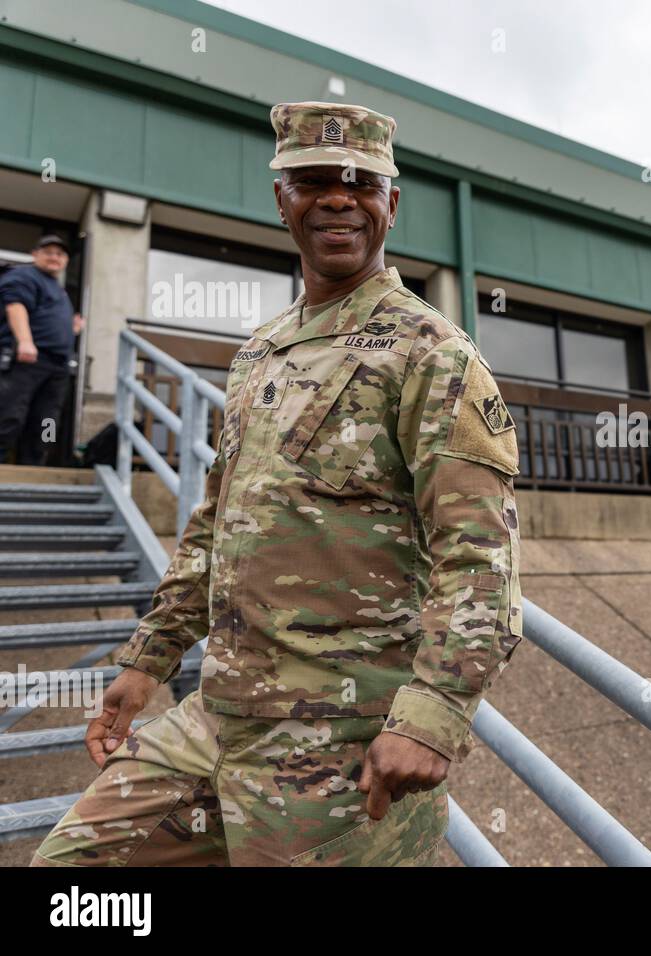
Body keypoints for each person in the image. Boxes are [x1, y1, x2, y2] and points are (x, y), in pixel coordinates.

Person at [32, 101, 523, 866]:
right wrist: (146, 660)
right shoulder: (261, 351)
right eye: (312, 180)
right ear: (282, 200)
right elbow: (216, 523)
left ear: (390, 204)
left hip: (342, 748)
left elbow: (481, 558)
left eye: (360, 183)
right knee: (73, 872)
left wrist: (433, 712)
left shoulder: (432, 353)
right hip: (217, 719)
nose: (337, 197)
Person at [0, 234, 83, 465]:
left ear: (66, 260)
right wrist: (25, 341)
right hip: (27, 358)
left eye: (60, 254)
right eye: (48, 252)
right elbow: (15, 306)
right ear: (35, 254)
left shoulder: (60, 290)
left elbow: (47, 320)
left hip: (58, 365)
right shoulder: (24, 276)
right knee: (10, 412)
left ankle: (37, 463)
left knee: (48, 420)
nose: (54, 257)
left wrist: (72, 328)